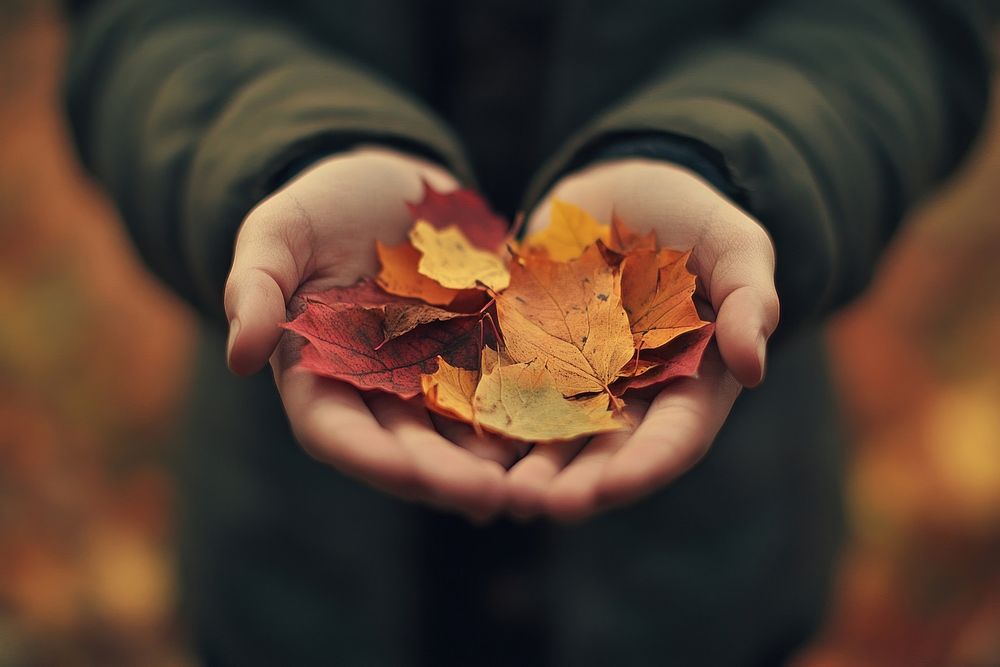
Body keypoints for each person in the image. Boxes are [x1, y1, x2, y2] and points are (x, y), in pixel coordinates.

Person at [64, 1, 992, 664]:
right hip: (294, 565)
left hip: (707, 572)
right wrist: (284, 149)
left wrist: (719, 160)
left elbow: (906, 23)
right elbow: (138, 21)